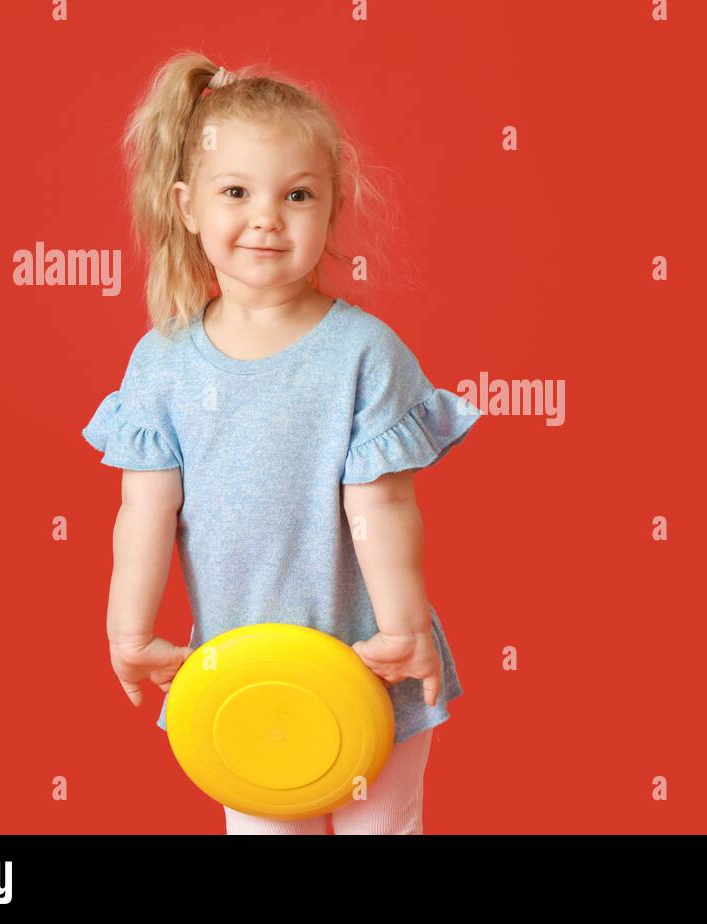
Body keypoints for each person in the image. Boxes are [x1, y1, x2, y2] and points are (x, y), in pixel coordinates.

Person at [81, 51, 481, 834]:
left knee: (384, 828)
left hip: (374, 670)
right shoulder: (160, 364)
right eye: (237, 192)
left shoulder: (364, 353)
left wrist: (402, 629)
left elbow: (384, 501)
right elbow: (144, 511)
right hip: (246, 681)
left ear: (331, 210)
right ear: (187, 206)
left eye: (298, 195)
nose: (267, 217)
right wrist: (128, 630)